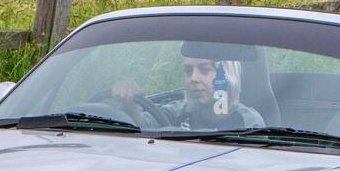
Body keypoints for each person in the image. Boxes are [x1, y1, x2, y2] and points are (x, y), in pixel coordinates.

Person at [110, 54, 265, 131]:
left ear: (227, 76)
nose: (193, 78)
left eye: (204, 70)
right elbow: (139, 128)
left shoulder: (248, 124)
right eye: (187, 70)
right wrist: (130, 102)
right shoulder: (179, 111)